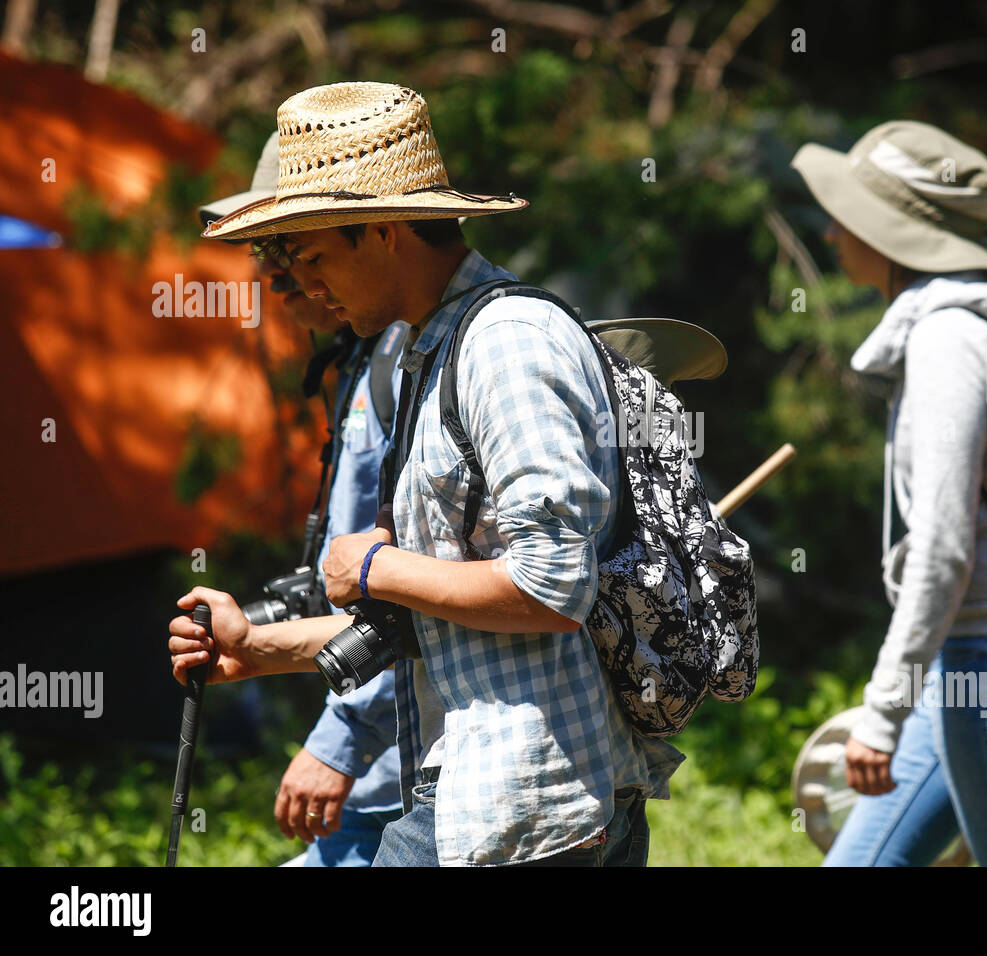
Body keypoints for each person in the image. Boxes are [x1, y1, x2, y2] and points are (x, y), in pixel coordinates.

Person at [168, 81, 683, 866]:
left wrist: (374, 563)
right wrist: (261, 647)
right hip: (487, 790)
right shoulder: (429, 349)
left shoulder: (506, 344)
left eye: (311, 256)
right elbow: (445, 612)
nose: (301, 285)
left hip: (523, 795)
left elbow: (552, 587)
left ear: (382, 232)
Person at [791, 120, 987, 866]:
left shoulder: (949, 340)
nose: (830, 233)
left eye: (847, 215)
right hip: (973, 669)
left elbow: (943, 548)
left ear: (895, 235)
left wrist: (884, 711)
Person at [197, 133, 407, 866]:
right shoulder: (358, 356)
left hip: (413, 770)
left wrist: (340, 741)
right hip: (391, 772)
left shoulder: (405, 360)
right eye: (267, 258)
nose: (280, 280)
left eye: (295, 253)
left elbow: (414, 584)